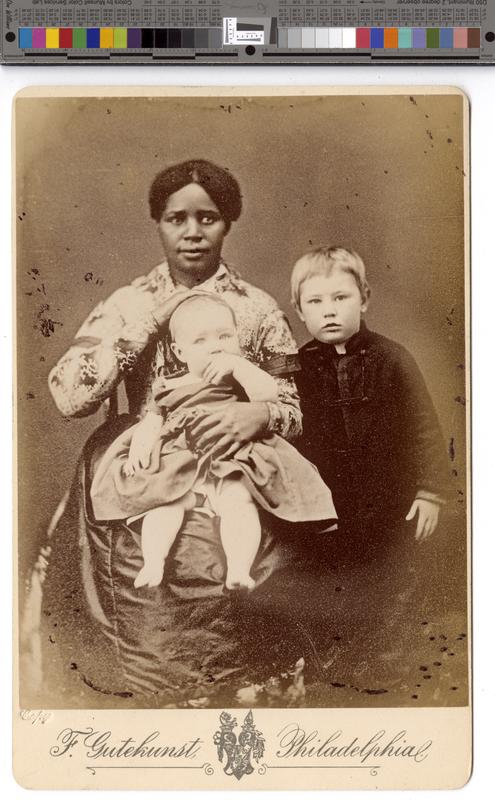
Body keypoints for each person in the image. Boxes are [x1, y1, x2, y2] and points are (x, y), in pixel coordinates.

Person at [26, 159, 308, 705]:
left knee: (250, 577)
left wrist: (258, 415)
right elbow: (67, 397)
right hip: (142, 465)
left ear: (228, 224)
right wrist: (149, 323)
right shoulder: (129, 302)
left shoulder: (257, 308)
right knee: (141, 590)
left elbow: (293, 409)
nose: (193, 232)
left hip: (236, 465)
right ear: (158, 222)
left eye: (208, 218)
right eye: (177, 218)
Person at [90, 292, 336, 591]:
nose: (216, 346)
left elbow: (267, 395)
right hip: (181, 456)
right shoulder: (168, 384)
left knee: (238, 500)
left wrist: (241, 367)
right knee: (165, 504)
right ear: (180, 352)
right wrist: (139, 449)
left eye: (224, 336)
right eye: (201, 341)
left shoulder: (238, 376)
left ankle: (238, 568)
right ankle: (154, 561)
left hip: (230, 454)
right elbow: (152, 422)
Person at [292, 246, 450, 561]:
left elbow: (423, 427)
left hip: (392, 503)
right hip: (327, 508)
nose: (329, 311)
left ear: (364, 298)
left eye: (340, 298)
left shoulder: (392, 357)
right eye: (315, 301)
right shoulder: (299, 367)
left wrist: (429, 493)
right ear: (299, 310)